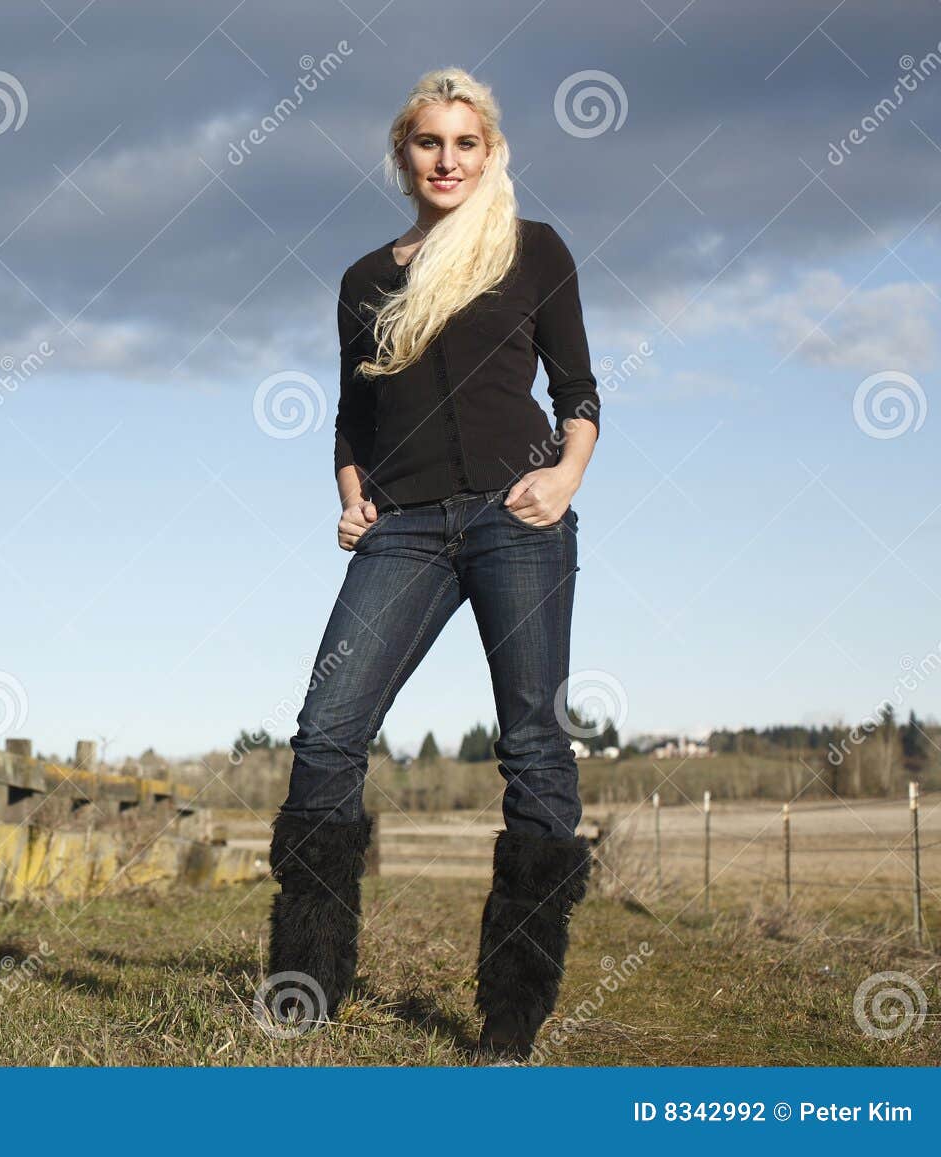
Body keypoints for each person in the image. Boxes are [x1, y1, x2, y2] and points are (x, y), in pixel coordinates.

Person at [263, 67, 600, 1062]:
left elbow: (578, 388)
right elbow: (351, 415)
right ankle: (305, 979)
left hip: (516, 513)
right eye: (427, 143)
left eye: (465, 142)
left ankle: (510, 1006)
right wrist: (347, 488)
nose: (446, 160)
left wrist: (567, 474)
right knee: (327, 729)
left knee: (533, 743)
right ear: (401, 155)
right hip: (402, 526)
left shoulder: (532, 251)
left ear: (489, 151)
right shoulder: (366, 278)